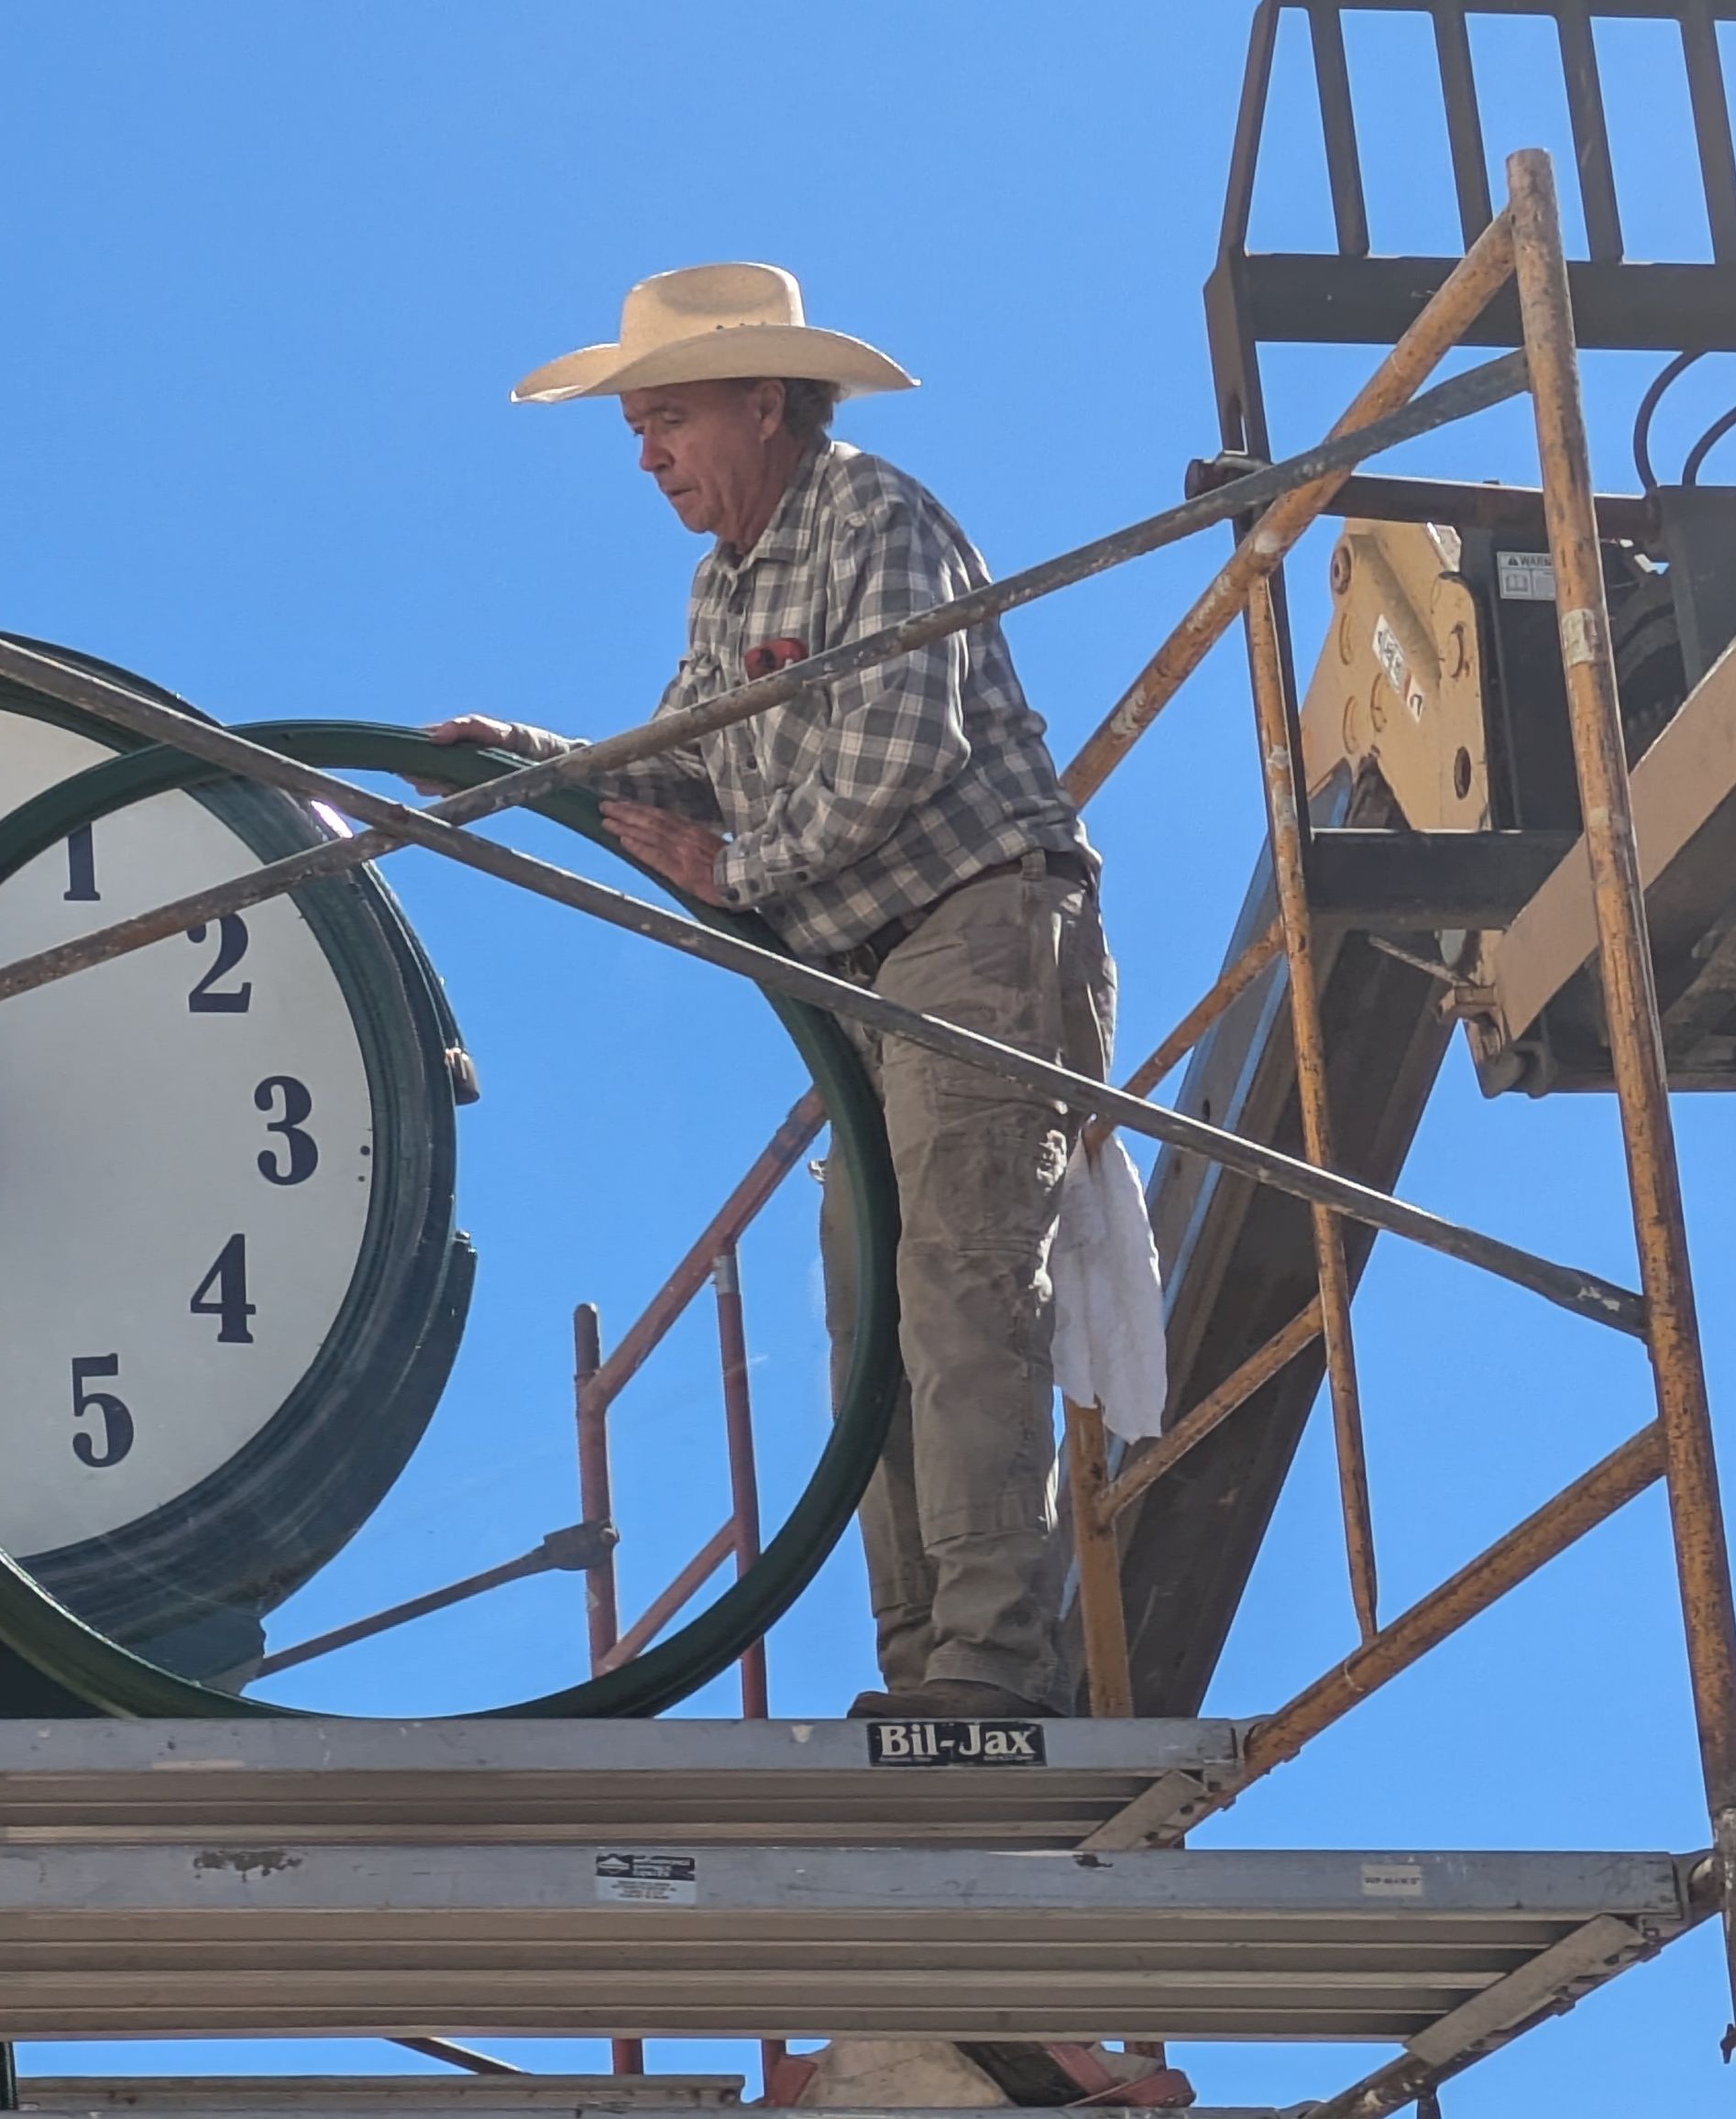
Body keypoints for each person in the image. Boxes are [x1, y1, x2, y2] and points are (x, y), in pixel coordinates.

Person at [432, 265, 1114, 1719]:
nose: (645, 455)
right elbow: (684, 752)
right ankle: (926, 1667)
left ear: (764, 403)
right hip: (873, 973)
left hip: (974, 932)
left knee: (957, 1298)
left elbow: (891, 752)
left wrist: (742, 869)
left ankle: (990, 1670)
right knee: (877, 1320)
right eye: (634, 428)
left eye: (664, 418)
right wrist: (518, 762)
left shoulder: (871, 514)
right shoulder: (726, 582)